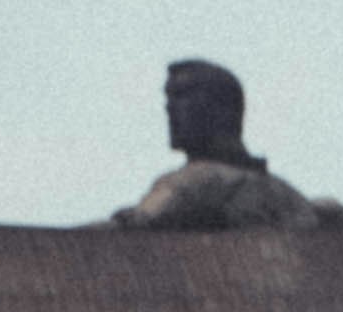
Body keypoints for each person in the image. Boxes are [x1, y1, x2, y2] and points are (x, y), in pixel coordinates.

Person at [111, 58, 328, 232]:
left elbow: (134, 226)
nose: (169, 109)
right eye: (169, 98)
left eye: (182, 96)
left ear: (224, 108)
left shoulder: (194, 182)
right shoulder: (288, 195)